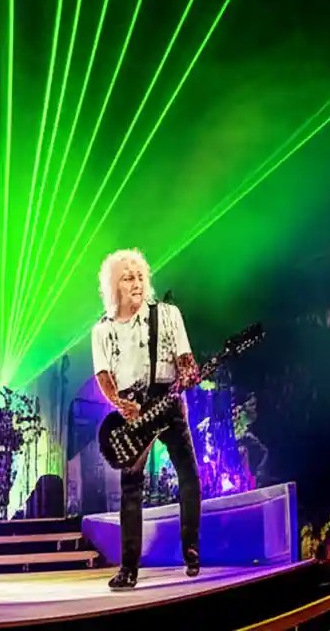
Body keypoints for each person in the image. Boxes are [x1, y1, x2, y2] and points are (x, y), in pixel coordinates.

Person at [90, 248, 202, 590]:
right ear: (114, 286)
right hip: (132, 410)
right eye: (128, 277)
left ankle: (191, 549)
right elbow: (103, 374)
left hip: (167, 400)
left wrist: (189, 372)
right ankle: (128, 568)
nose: (136, 283)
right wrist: (121, 405)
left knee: (188, 472)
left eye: (140, 276)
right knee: (131, 487)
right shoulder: (102, 329)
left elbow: (185, 358)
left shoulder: (168, 315)